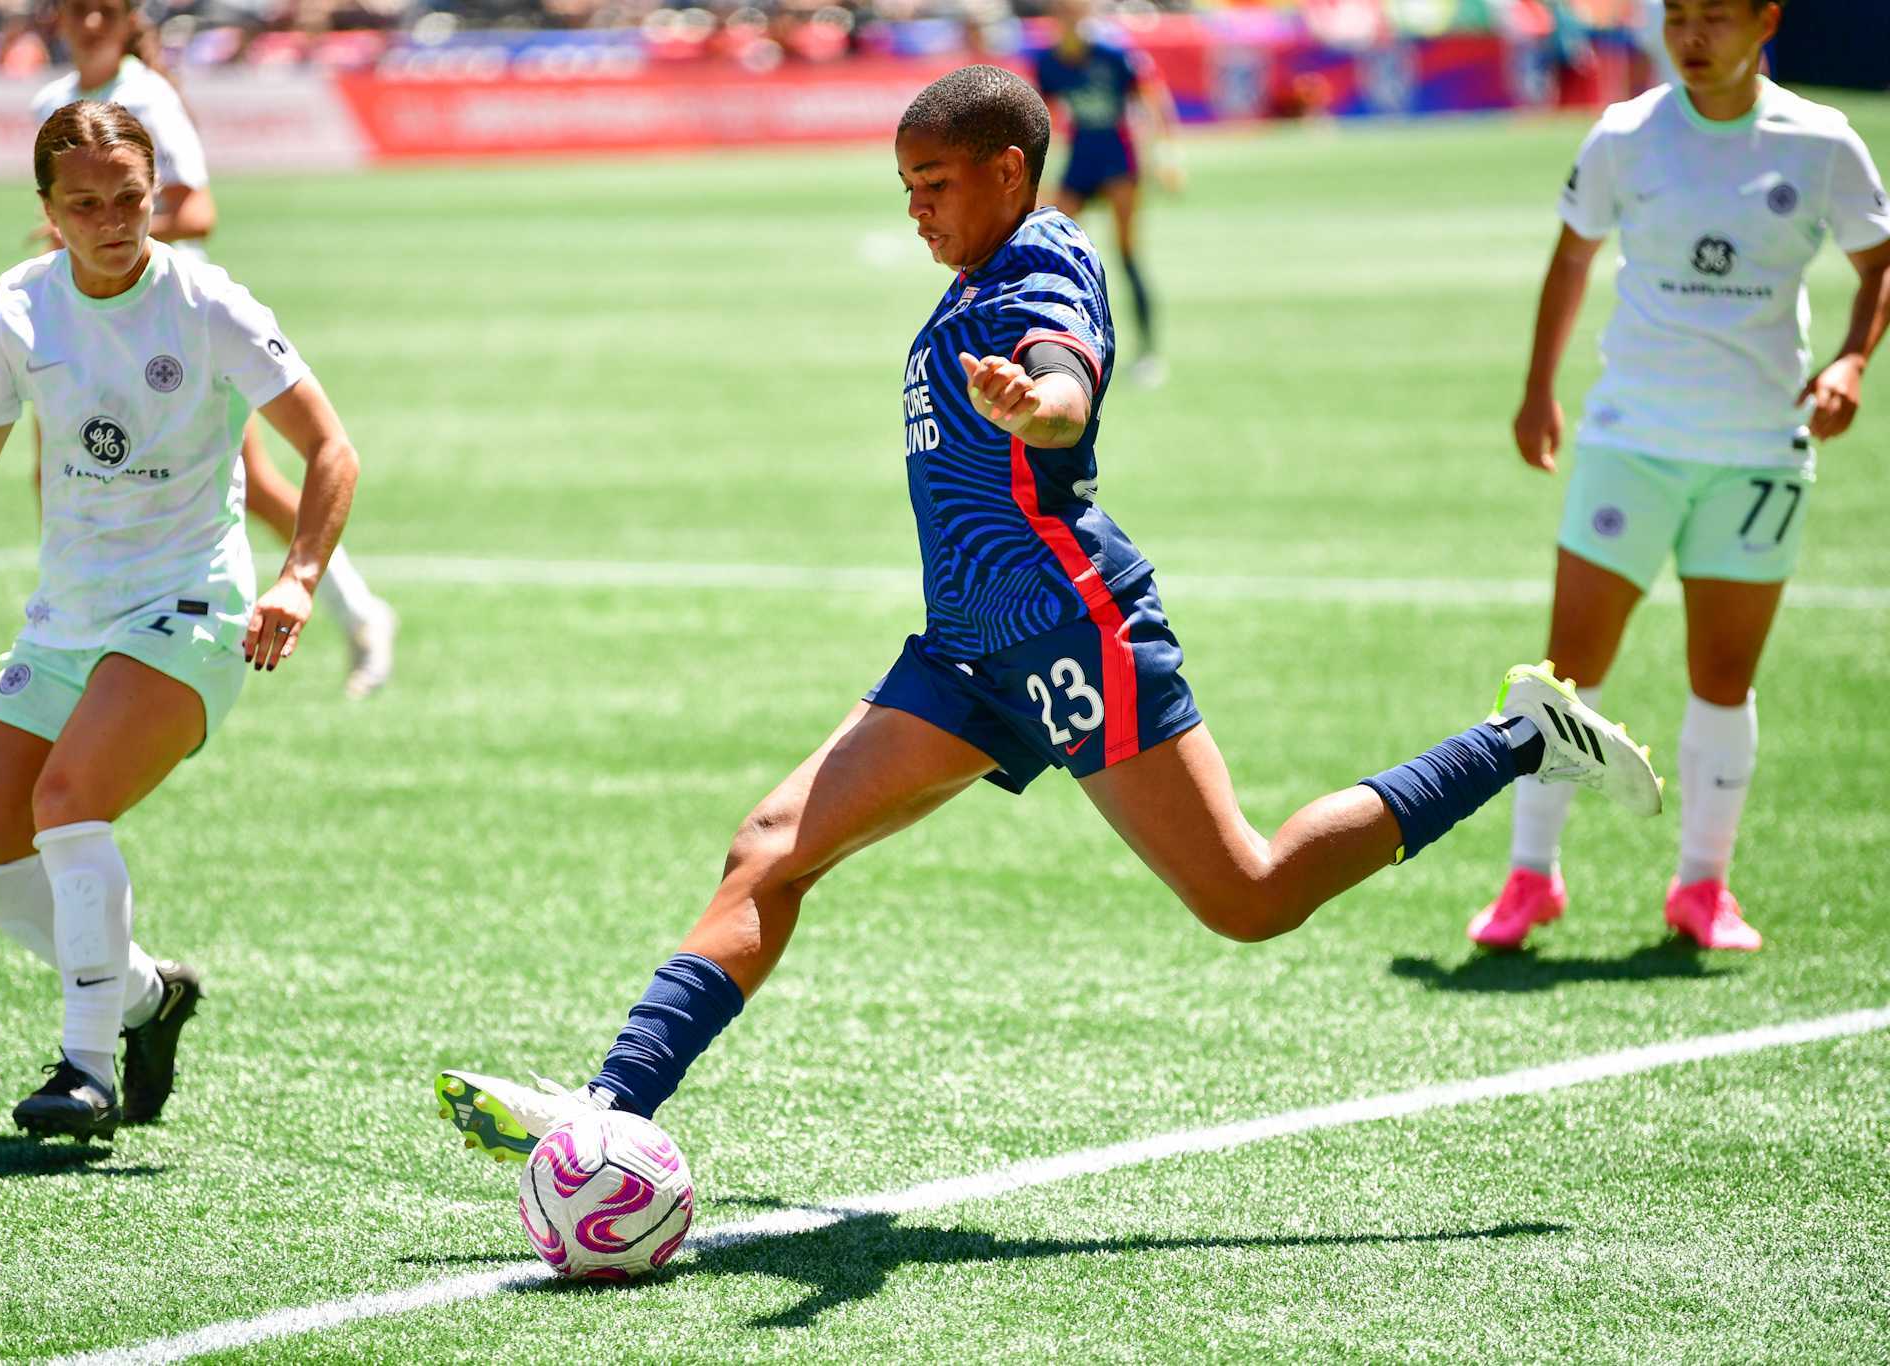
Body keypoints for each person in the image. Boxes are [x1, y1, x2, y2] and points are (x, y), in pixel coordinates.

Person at [430, 66, 1662, 1158]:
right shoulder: (972, 277)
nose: (912, 207)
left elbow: (1068, 376)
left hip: (1073, 630)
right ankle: (612, 1107)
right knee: (768, 847)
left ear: (1006, 171)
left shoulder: (1043, 261)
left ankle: (1521, 737)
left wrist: (1044, 406)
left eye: (931, 182)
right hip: (966, 650)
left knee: (1248, 895)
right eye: (903, 185)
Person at [0, 102, 361, 1140]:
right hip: (66, 619)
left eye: (131, 198)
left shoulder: (206, 302)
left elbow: (330, 449)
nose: (114, 220)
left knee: (67, 799)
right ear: (46, 211)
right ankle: (142, 997)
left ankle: (86, 1069)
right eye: (85, 204)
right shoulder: (20, 308)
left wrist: (299, 576)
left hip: (191, 606)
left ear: (156, 191)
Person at [1471, 0, 1890, 953]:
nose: (1694, 39)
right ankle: (1529, 878)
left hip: (1756, 449)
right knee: (1564, 669)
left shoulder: (1822, 140)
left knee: (1723, 676)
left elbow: (1877, 262)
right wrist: (1539, 389)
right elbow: (1572, 256)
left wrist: (1852, 361)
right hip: (1633, 442)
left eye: (1716, 19)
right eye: (1680, 19)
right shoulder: (1626, 133)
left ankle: (1703, 888)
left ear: (1764, 22)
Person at [29, 0, 398, 700]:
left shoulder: (148, 98)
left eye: (104, 11)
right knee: (55, 471)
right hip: (88, 319)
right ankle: (82, 626)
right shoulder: (53, 102)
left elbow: (199, 210)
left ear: (127, 18)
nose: (90, 24)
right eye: (76, 10)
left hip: (172, 326)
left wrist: (115, 230)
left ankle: (357, 611)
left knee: (254, 483)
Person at [1034, 0, 1181, 387]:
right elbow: (1039, 118)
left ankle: (1148, 351)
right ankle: (1041, 342)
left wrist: (1166, 156)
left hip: (1118, 159)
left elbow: (1151, 98)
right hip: (1082, 158)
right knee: (1045, 247)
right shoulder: (1049, 62)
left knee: (1128, 253)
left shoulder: (1113, 54)